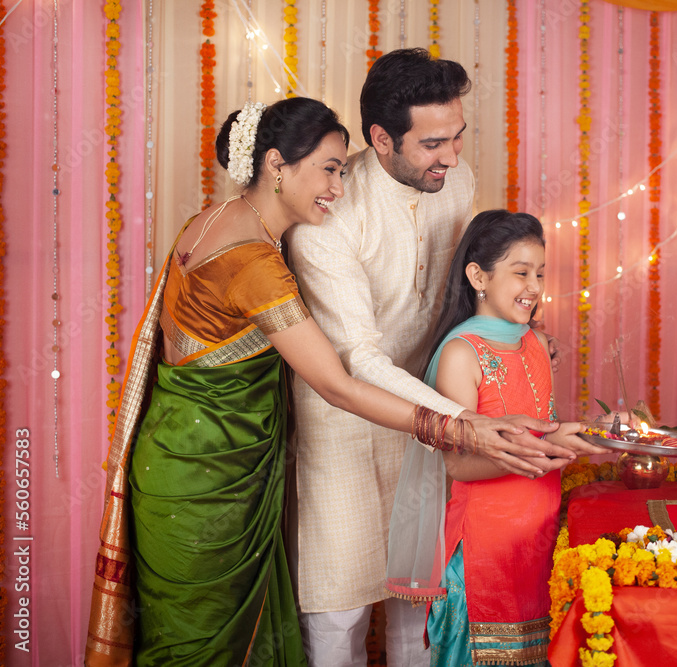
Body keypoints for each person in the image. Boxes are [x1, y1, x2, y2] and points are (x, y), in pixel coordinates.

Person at [84, 97, 551, 667]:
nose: (339, 186)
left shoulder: (211, 220)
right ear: (277, 165)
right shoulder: (256, 264)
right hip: (210, 480)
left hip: (187, 458)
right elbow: (339, 385)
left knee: (197, 634)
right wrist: (461, 426)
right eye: (330, 169)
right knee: (200, 642)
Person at [285, 49, 590, 666]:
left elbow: (467, 288)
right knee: (339, 606)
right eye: (432, 144)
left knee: (420, 604)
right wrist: (468, 424)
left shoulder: (459, 182)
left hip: (436, 420)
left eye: (457, 137)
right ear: (380, 139)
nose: (451, 157)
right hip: (345, 424)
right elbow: (358, 359)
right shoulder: (329, 217)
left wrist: (521, 330)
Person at [389, 210, 586, 666]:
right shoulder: (461, 353)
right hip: (483, 551)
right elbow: (458, 465)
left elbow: (544, 425)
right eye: (521, 273)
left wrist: (584, 436)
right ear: (478, 275)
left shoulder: (535, 343)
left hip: (538, 541)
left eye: (539, 273)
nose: (534, 287)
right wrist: (547, 450)